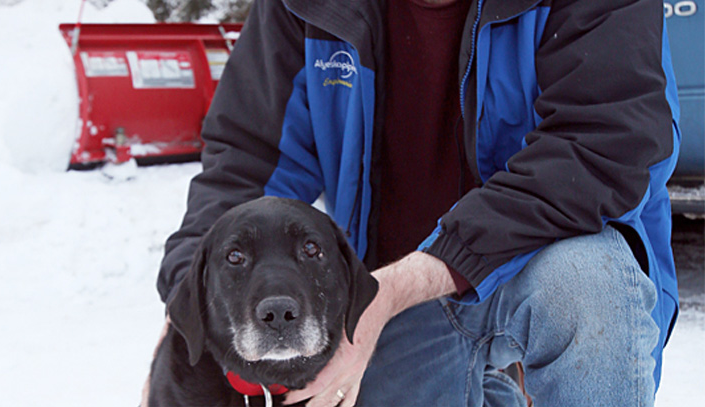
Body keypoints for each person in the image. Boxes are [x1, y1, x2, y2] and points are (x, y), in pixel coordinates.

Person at [157, 0, 681, 405]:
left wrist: (404, 283)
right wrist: (190, 301)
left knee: (585, 283)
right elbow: (247, 162)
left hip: (521, 273)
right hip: (393, 302)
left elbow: (601, 148)